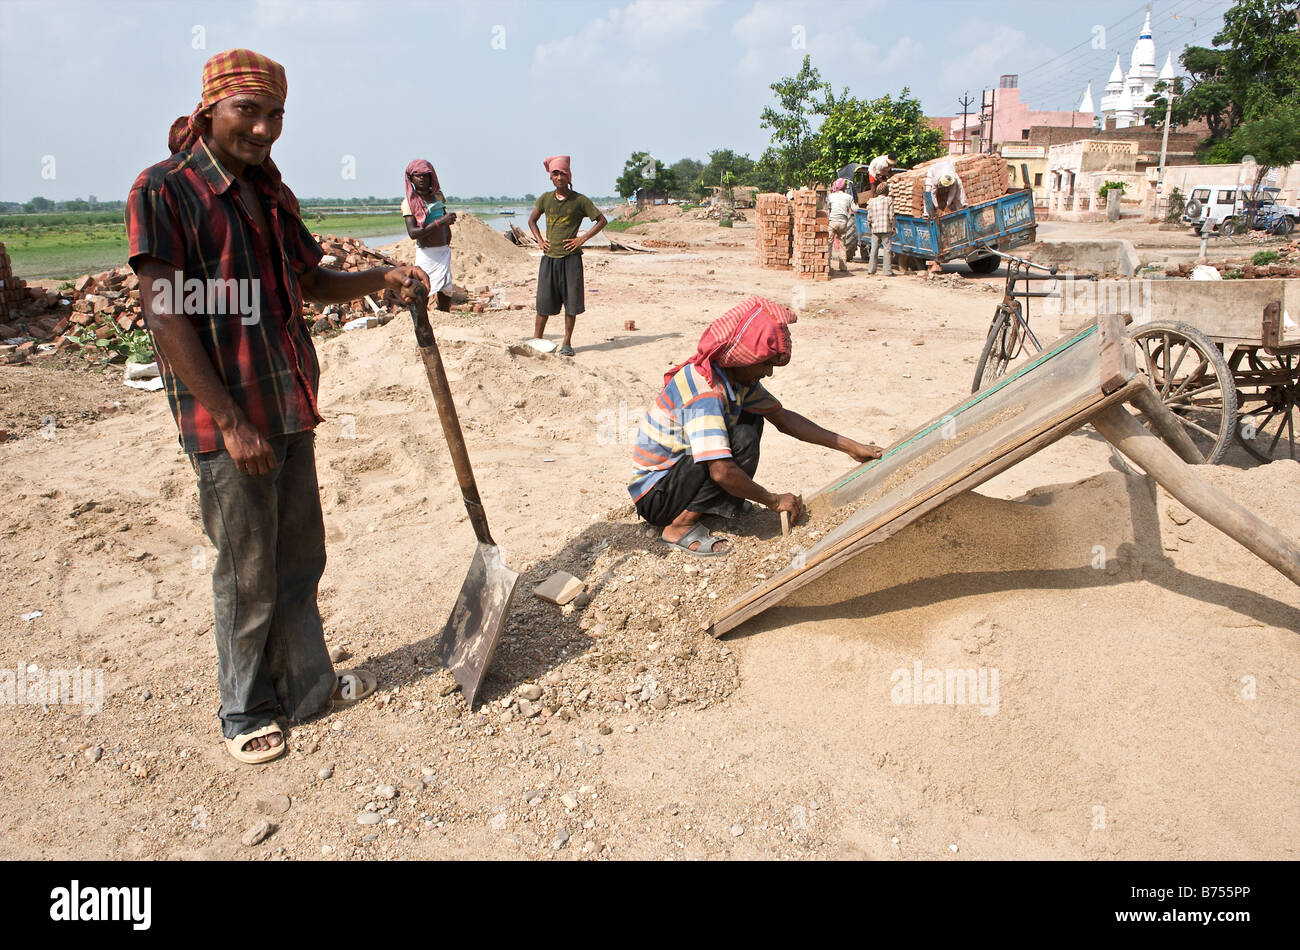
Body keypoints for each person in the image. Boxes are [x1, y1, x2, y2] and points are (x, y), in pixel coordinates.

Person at [125, 49, 430, 765]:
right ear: (209, 110)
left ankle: (305, 687)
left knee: (300, 558)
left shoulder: (269, 191)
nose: (263, 128)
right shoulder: (164, 190)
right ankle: (245, 709)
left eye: (275, 116)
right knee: (245, 566)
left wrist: (381, 276)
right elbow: (164, 316)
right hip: (227, 418)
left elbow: (312, 281)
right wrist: (231, 421)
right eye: (247, 111)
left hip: (290, 404)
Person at [628, 297, 883, 555]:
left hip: (679, 478)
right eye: (765, 363)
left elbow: (783, 419)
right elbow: (720, 471)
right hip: (657, 495)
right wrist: (773, 500)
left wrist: (851, 447)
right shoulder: (707, 392)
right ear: (741, 357)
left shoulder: (734, 380)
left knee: (750, 420)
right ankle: (678, 527)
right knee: (740, 438)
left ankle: (715, 503)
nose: (768, 372)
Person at [528, 155, 607, 356]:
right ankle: (536, 339)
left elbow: (601, 220)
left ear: (568, 175)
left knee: (571, 303)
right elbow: (532, 221)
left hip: (571, 259)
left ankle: (566, 342)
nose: (559, 177)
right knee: (543, 303)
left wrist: (581, 239)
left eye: (563, 173)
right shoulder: (545, 199)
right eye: (555, 173)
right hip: (549, 258)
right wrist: (539, 240)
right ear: (550, 177)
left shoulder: (579, 200)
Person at [402, 159, 457, 313]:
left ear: (431, 177)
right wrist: (440, 223)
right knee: (423, 289)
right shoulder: (409, 203)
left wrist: (446, 228)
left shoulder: (438, 197)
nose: (422, 179)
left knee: (446, 291)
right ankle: (421, 320)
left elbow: (444, 218)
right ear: (411, 178)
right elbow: (413, 233)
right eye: (417, 175)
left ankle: (444, 318)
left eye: (425, 175)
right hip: (426, 254)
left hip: (443, 252)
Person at [826, 178, 858, 271]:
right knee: (842, 245)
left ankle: (827, 265)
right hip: (843, 223)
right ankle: (843, 267)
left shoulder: (831, 196)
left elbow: (828, 208)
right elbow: (854, 209)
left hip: (832, 222)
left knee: (829, 244)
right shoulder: (849, 197)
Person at [866, 183, 895, 277]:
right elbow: (891, 216)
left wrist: (870, 225)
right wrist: (893, 226)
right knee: (887, 249)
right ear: (886, 191)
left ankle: (871, 270)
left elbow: (869, 216)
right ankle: (887, 271)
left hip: (875, 228)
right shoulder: (889, 200)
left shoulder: (872, 201)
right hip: (886, 228)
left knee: (874, 249)